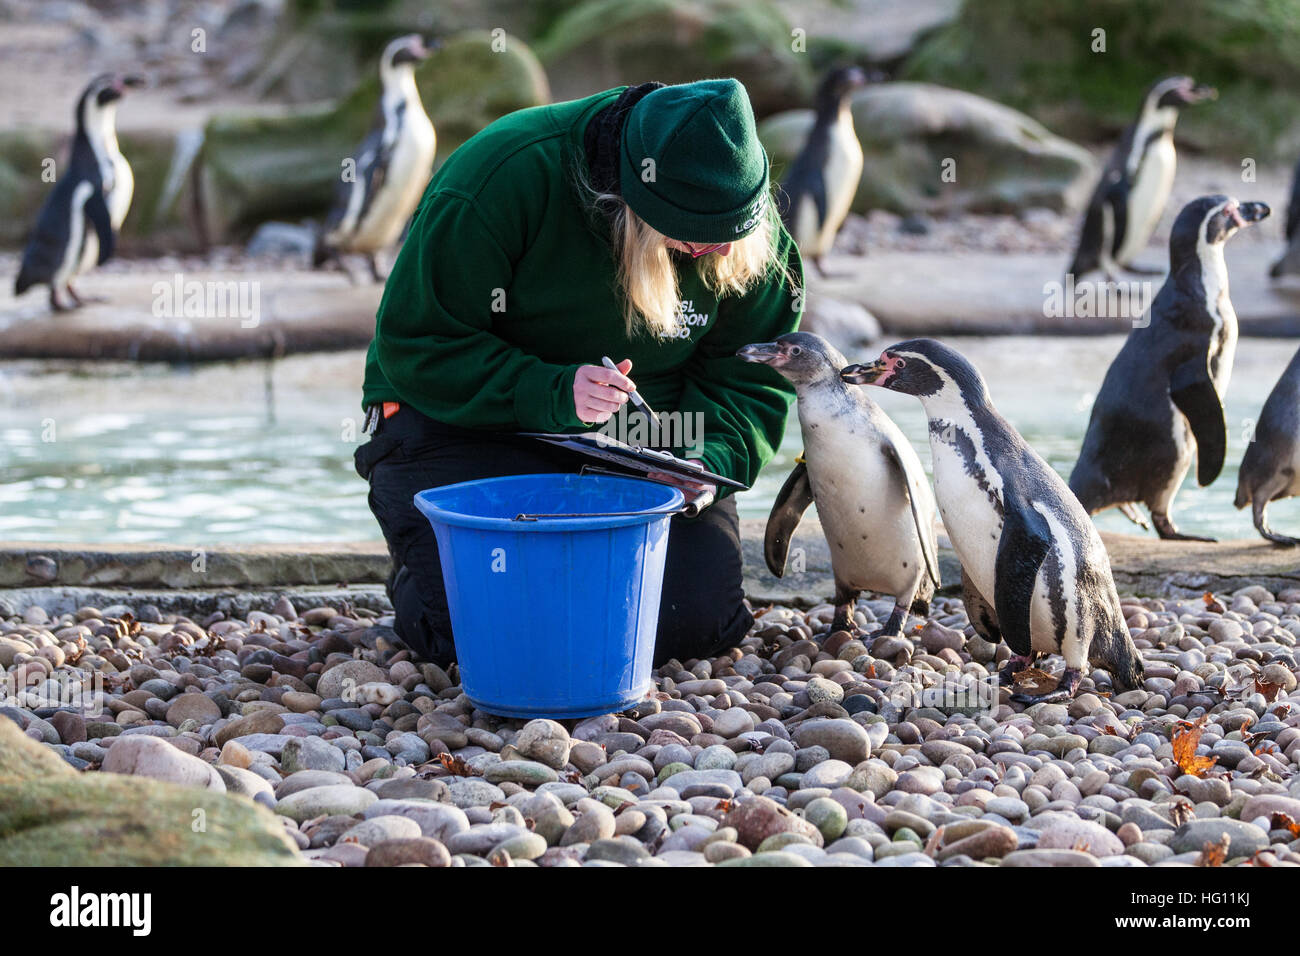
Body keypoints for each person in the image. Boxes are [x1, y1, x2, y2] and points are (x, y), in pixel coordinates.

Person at [354, 77, 804, 667]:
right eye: (696, 241)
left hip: (652, 443)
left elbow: (748, 378)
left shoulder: (734, 215)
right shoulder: (503, 174)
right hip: (470, 425)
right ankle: (421, 570)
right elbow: (418, 344)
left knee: (690, 628)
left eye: (733, 234)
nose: (720, 254)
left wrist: (706, 460)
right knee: (499, 637)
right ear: (627, 201)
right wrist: (552, 389)